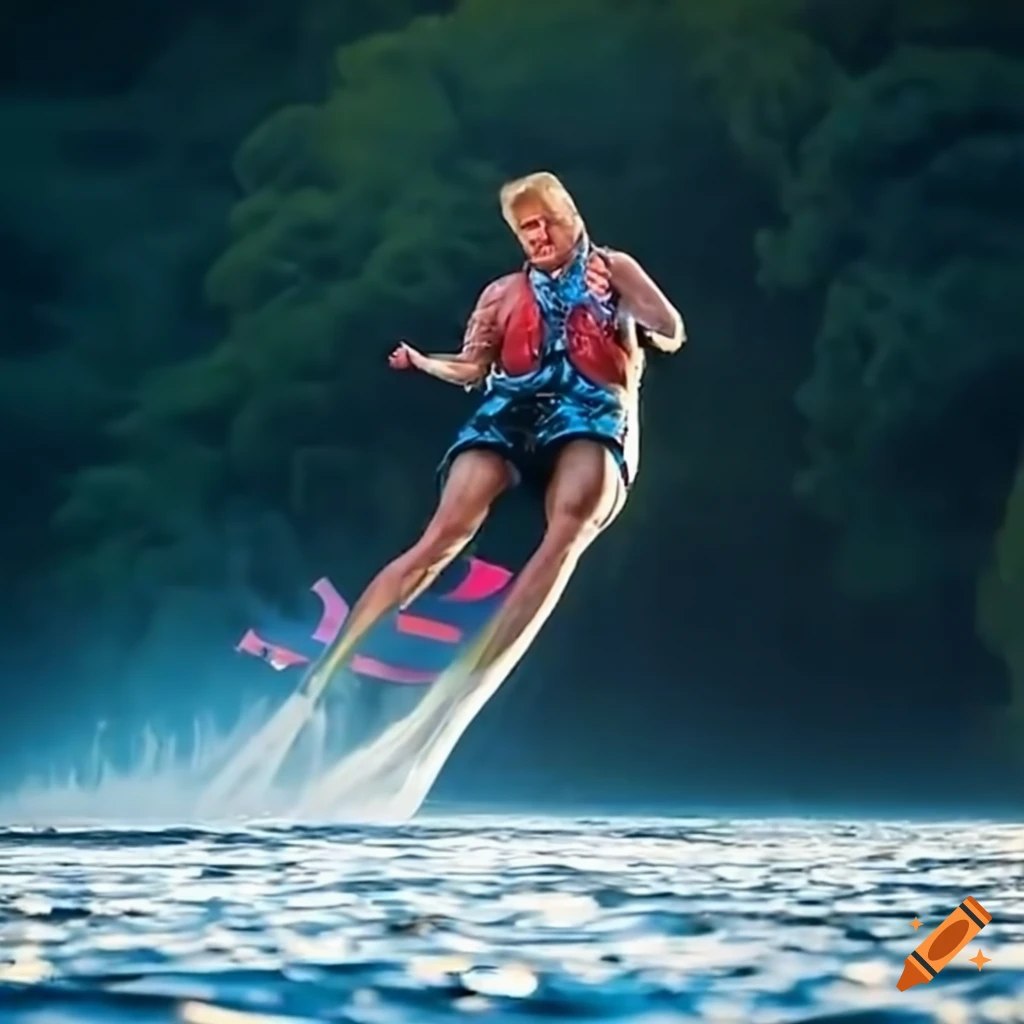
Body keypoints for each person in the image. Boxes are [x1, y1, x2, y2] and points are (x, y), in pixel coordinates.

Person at [296, 170, 685, 713]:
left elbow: (670, 328)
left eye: (549, 222)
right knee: (445, 531)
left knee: (569, 522)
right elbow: (472, 367)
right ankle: (325, 671)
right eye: (529, 229)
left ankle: (473, 677)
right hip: (514, 410)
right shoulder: (503, 294)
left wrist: (629, 306)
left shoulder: (613, 269)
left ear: (572, 217)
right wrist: (426, 363)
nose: (541, 236)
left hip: (591, 411)